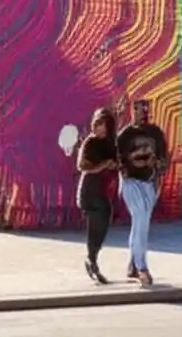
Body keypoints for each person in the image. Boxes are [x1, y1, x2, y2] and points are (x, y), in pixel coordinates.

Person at [116, 99, 167, 287]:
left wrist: (159, 175)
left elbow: (162, 157)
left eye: (144, 109)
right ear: (132, 110)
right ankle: (141, 266)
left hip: (149, 182)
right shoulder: (125, 135)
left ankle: (132, 264)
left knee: (140, 222)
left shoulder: (155, 133)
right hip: (131, 182)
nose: (141, 112)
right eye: (137, 109)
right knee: (141, 220)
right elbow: (119, 159)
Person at [75, 107, 118, 284]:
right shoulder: (90, 142)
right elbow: (81, 166)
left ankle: (92, 258)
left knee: (104, 218)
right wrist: (101, 166)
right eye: (96, 124)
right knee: (95, 223)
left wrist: (113, 165)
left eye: (102, 125)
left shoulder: (109, 143)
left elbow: (116, 161)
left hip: (103, 189)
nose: (98, 128)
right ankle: (91, 260)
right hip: (89, 190)